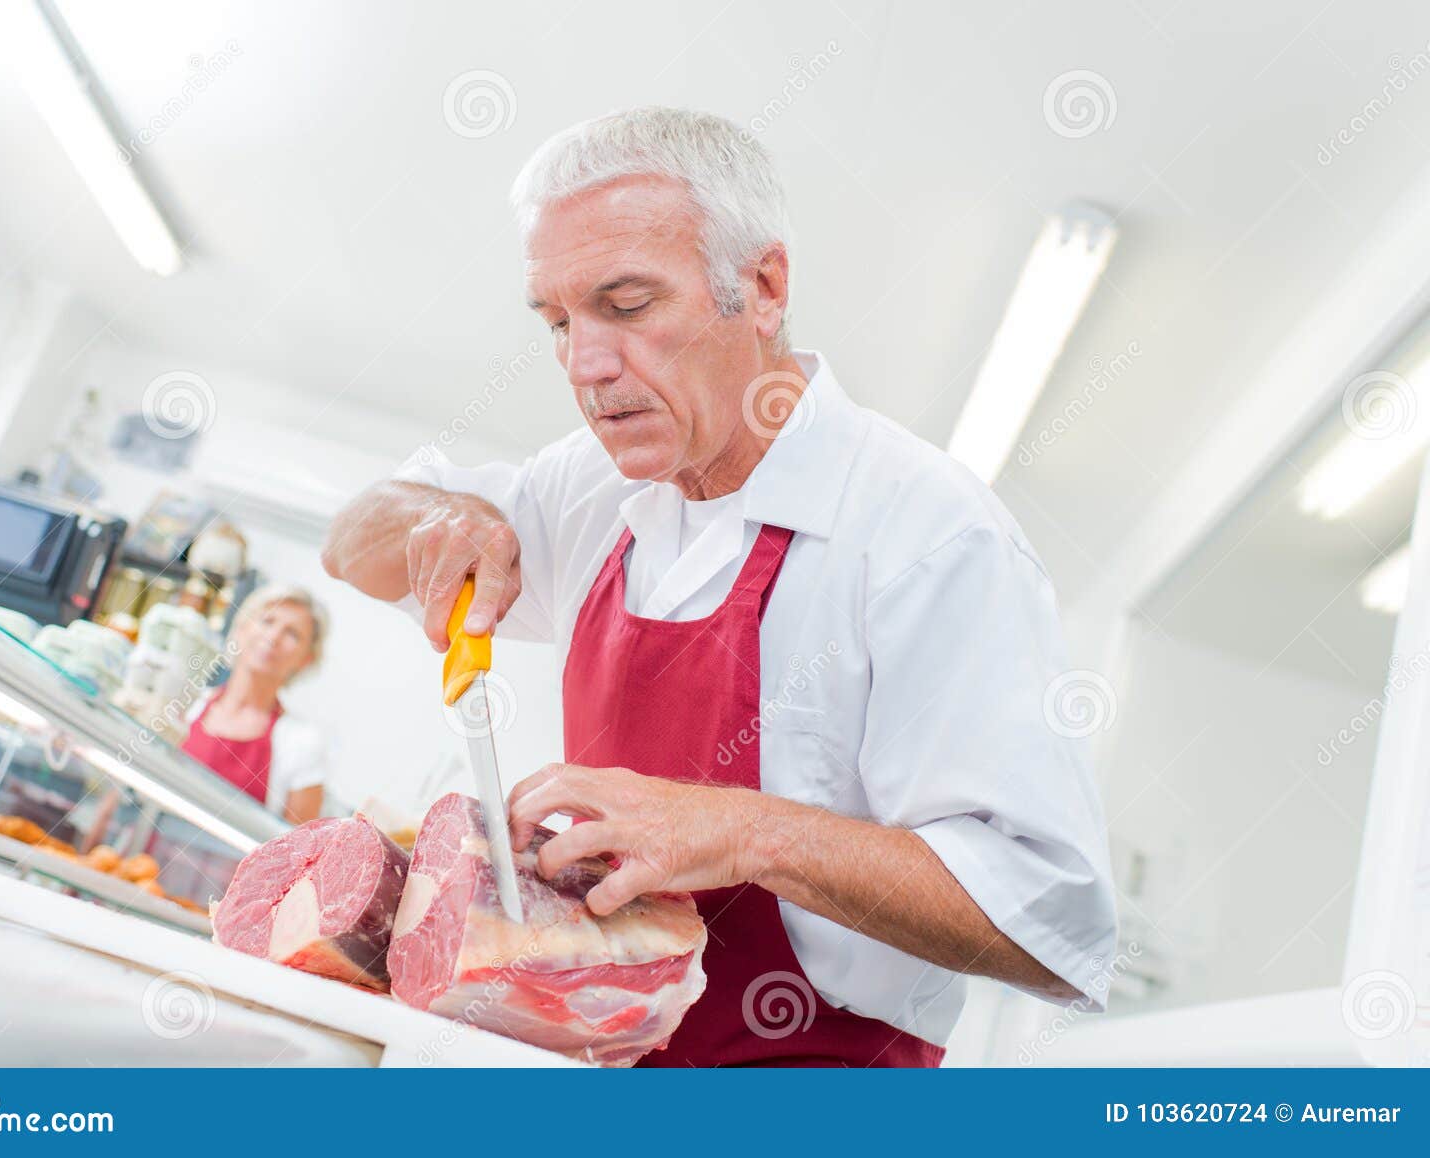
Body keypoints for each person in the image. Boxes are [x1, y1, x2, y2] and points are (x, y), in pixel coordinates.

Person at [322, 107, 1116, 1067]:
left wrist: (743, 833)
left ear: (763, 288)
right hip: (589, 1057)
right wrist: (437, 521)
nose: (585, 364)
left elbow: (1053, 922)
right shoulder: (596, 482)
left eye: (627, 304)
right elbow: (350, 541)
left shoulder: (923, 531)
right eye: (559, 321)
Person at [180, 584, 330, 824]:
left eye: (292, 634)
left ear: (306, 659)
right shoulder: (185, 704)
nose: (273, 637)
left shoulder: (303, 743)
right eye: (267, 621)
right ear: (241, 629)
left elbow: (298, 851)